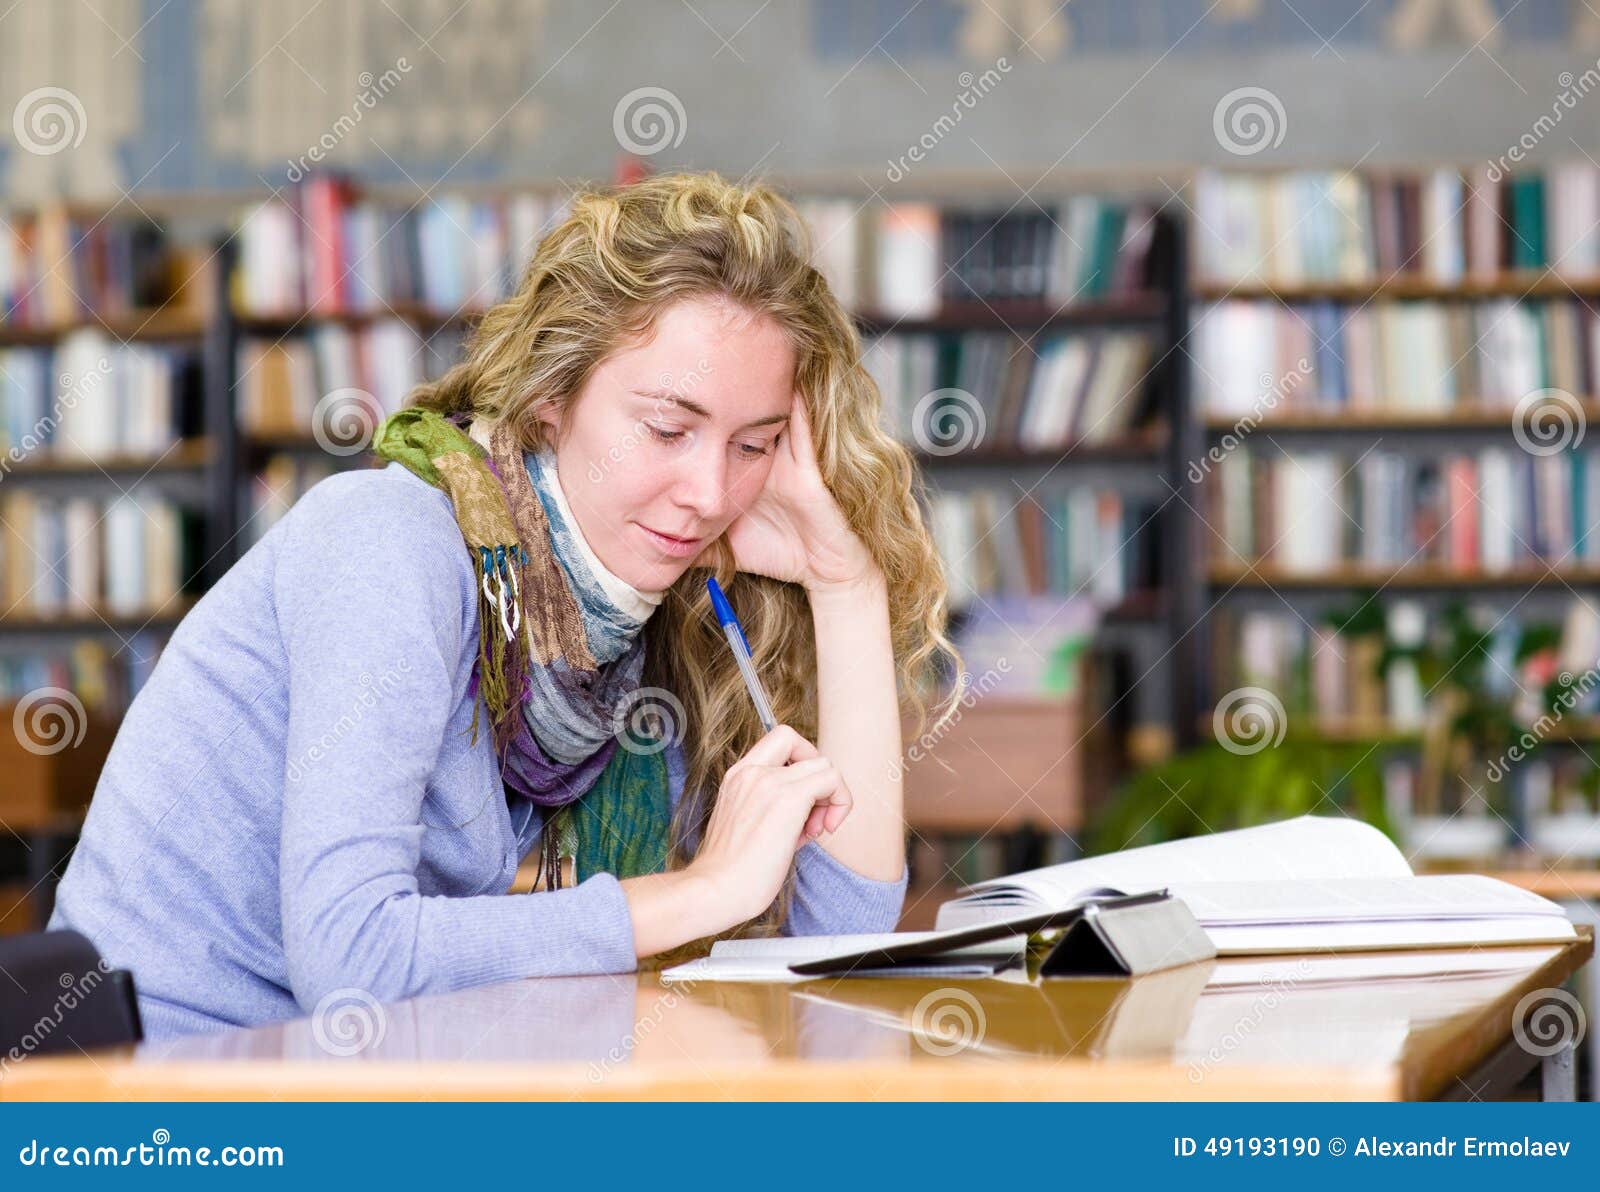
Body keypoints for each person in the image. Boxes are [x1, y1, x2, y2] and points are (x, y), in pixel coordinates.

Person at [49, 170, 959, 1039]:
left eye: (754, 445)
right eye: (669, 429)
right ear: (552, 398)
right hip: (173, 1097)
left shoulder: (631, 623)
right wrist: (701, 890)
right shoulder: (389, 543)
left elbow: (843, 937)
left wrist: (847, 589)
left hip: (373, 1079)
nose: (710, 492)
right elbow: (353, 961)